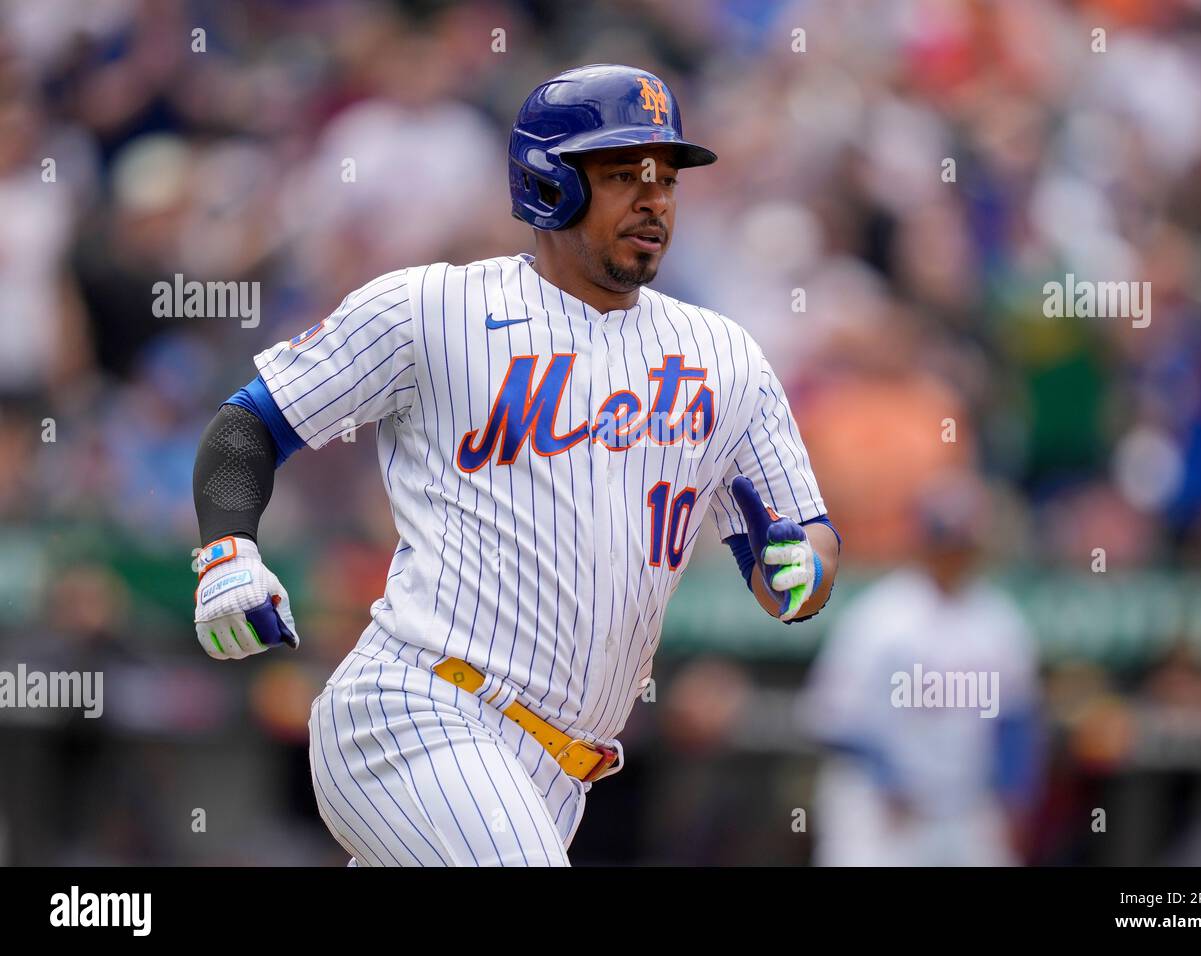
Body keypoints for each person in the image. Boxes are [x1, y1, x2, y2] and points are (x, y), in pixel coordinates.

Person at [189, 64, 842, 866]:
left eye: (666, 178)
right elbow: (249, 423)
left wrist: (801, 570)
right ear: (549, 184)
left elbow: (805, 539)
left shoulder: (724, 355)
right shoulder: (434, 309)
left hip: (560, 772)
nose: (655, 200)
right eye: (621, 174)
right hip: (417, 712)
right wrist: (228, 549)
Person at [800, 472, 1039, 866]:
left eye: (961, 544)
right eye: (944, 542)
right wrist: (889, 779)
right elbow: (832, 719)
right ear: (923, 542)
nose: (952, 554)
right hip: (878, 799)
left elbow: (1015, 720)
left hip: (965, 804)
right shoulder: (880, 616)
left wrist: (1013, 799)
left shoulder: (1001, 623)